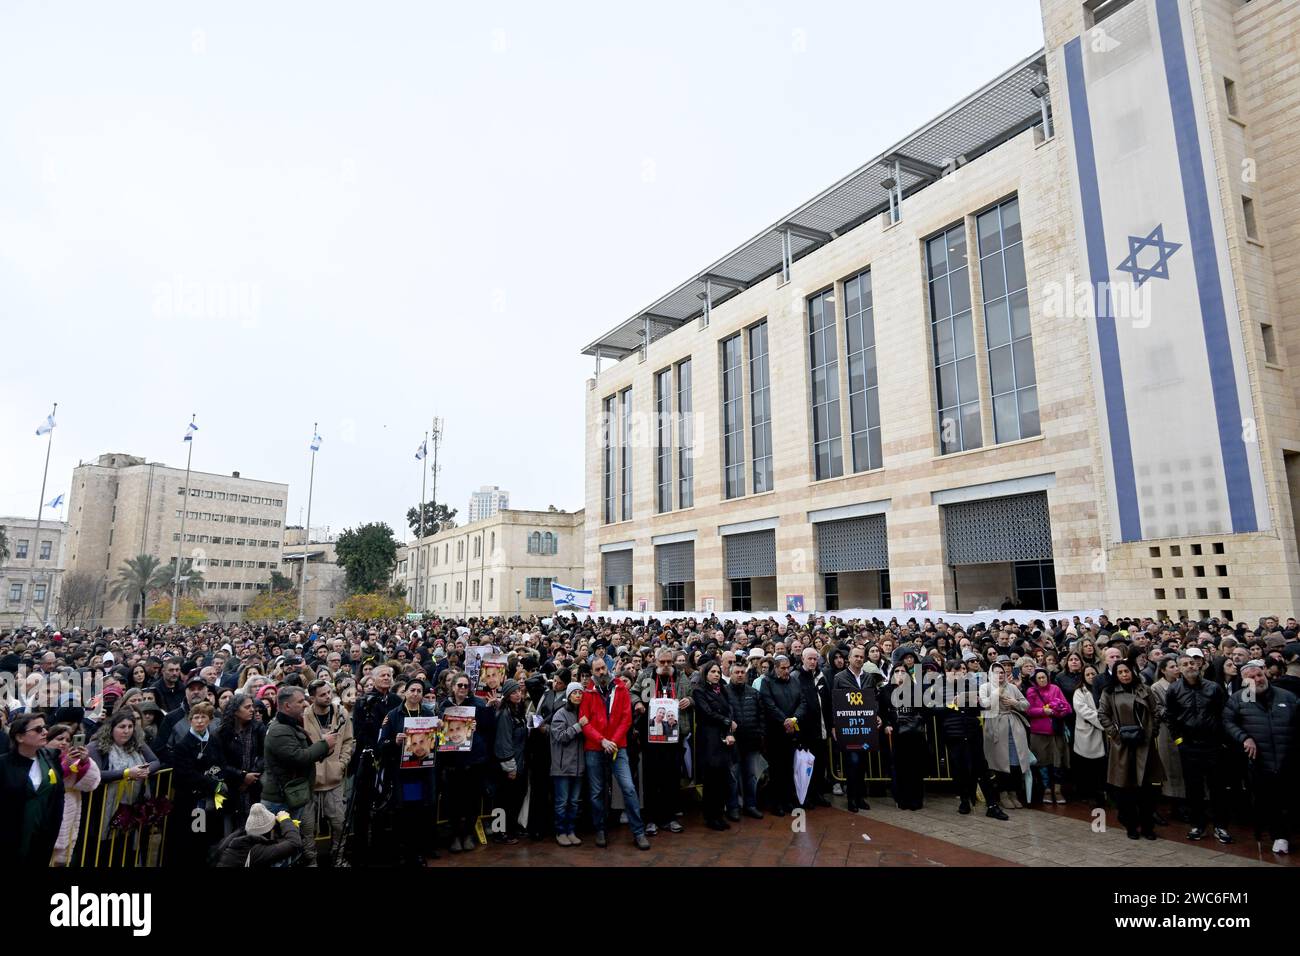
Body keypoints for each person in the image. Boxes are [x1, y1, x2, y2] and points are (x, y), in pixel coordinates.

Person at [1224, 660, 1298, 855]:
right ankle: (1279, 836)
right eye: (1252, 677)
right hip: (1261, 761)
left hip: (1288, 758)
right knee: (1270, 801)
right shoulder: (1239, 699)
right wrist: (1245, 738)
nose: (1257, 680)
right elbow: (1228, 722)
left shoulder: (1287, 697)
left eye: (1259, 675)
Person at [580, 655, 650, 850]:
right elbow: (584, 722)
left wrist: (612, 741)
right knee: (597, 792)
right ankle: (600, 829)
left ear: (607, 667)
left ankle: (638, 832)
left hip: (618, 747)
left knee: (628, 788)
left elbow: (626, 719)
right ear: (593, 673)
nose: (601, 672)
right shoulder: (586, 692)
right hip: (595, 748)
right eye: (597, 670)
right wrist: (602, 741)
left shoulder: (621, 688)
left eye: (603, 668)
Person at [1164, 652, 1232, 844]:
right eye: (1185, 664)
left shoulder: (1214, 688)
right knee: (1194, 788)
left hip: (1213, 745)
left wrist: (1222, 740)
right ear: (1179, 668)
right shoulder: (1174, 690)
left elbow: (1224, 714)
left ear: (1199, 665)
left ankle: (1220, 825)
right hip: (1189, 746)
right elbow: (1171, 718)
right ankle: (1198, 825)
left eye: (1192, 663)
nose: (1190, 666)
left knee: (1217, 787)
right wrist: (1180, 742)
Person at [1098, 660, 1163, 841]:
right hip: (1123, 745)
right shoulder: (1109, 692)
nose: (1124, 675)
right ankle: (1131, 825)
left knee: (1147, 789)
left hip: (1144, 744)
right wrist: (1115, 734)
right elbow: (1103, 714)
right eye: (1120, 672)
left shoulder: (1144, 689)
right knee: (1125, 789)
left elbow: (1156, 710)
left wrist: (1152, 731)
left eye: (1127, 671)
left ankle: (1148, 825)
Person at [378, 677, 439, 865]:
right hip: (401, 775)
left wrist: (440, 733)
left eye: (419, 691)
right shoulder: (393, 715)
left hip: (422, 774)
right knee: (401, 814)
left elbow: (438, 744)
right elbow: (381, 743)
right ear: (405, 692)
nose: (415, 694)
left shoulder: (429, 714)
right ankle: (402, 853)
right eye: (412, 690)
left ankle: (418, 852)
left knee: (420, 814)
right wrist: (395, 742)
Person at [170, 701, 237, 867]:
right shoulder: (183, 746)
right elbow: (186, 774)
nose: (199, 721)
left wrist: (221, 779)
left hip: (214, 801)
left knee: (213, 836)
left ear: (209, 720)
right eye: (196, 717)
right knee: (196, 837)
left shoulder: (214, 741)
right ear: (190, 720)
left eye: (203, 717)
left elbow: (222, 764)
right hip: (195, 803)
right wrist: (212, 784)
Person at [633, 647, 692, 835]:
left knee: (672, 777)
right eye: (662, 662)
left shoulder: (681, 677)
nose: (666, 666)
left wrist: (689, 700)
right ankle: (651, 819)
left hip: (674, 736)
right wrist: (638, 703)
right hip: (651, 736)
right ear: (656, 661)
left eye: (669, 662)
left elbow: (693, 695)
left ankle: (670, 818)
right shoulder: (647, 675)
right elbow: (633, 692)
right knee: (651, 778)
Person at [937, 660, 1005, 819]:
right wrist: (950, 704)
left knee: (981, 767)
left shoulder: (970, 685)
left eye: (962, 670)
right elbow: (932, 709)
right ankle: (964, 800)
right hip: (954, 733)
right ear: (947, 671)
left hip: (972, 730)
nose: (961, 673)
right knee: (959, 769)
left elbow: (979, 706)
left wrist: (977, 702)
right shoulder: (939, 687)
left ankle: (992, 805)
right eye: (957, 670)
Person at [0, 712, 65, 865]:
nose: (45, 732)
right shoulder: (3, 765)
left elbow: (58, 796)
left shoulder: (50, 758)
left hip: (42, 838)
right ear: (19, 737)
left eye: (45, 727)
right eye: (38, 729)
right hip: (9, 840)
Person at [302, 678, 354, 865]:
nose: (327, 697)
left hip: (334, 780)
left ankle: (338, 858)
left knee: (340, 824)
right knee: (307, 828)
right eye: (322, 695)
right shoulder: (303, 716)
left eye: (329, 693)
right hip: (310, 782)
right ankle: (311, 861)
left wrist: (342, 763)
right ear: (312, 697)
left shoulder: (342, 713)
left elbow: (349, 741)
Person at [261, 686, 336, 817]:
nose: (305, 704)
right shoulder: (279, 730)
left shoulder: (292, 725)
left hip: (292, 795)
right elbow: (298, 757)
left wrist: (324, 749)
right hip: (281, 800)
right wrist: (324, 744)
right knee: (286, 836)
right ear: (287, 706)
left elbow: (305, 751)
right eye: (300, 702)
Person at [438, 672, 491, 853]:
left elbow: (488, 729)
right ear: (452, 687)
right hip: (452, 762)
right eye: (459, 685)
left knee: (472, 800)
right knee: (452, 802)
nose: (462, 689)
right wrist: (439, 728)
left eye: (465, 686)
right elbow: (440, 737)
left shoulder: (478, 705)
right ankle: (454, 836)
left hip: (473, 761)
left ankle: (468, 834)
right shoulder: (445, 706)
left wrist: (478, 727)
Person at [832, 645, 881, 813]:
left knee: (862, 764)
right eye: (856, 656)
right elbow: (835, 703)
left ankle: (860, 797)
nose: (859, 659)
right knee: (852, 762)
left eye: (862, 657)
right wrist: (834, 725)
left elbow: (874, 700)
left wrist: (877, 715)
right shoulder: (839, 677)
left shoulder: (869, 678)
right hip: (848, 728)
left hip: (865, 728)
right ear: (850, 659)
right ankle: (851, 798)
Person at [46, 722, 100, 865]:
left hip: (71, 805)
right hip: (49, 805)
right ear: (47, 739)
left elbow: (92, 782)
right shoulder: (41, 757)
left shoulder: (75, 758)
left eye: (68, 740)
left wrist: (85, 761)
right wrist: (66, 764)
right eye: (59, 739)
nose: (64, 743)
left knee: (65, 851)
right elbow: (48, 781)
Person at [691, 660, 735, 830]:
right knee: (711, 779)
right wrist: (726, 721)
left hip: (723, 737)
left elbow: (729, 708)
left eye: (718, 671)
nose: (716, 674)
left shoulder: (722, 689)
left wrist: (728, 722)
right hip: (709, 739)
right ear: (705, 673)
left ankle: (719, 814)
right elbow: (707, 713)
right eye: (712, 672)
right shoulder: (699, 691)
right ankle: (710, 816)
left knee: (723, 777)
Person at [980, 662, 1030, 810]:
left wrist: (1014, 702)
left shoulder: (1013, 687)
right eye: (996, 672)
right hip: (995, 726)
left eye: (1002, 672)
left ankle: (1013, 792)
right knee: (1000, 762)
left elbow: (1025, 704)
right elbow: (984, 703)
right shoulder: (986, 687)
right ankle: (1003, 794)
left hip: (1013, 726)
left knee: (1015, 762)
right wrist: (997, 693)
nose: (1000, 675)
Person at [759, 655, 804, 816]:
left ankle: (787, 800)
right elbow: (769, 704)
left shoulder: (794, 681)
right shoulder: (767, 682)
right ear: (776, 668)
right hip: (775, 733)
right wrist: (784, 720)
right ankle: (775, 802)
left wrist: (793, 719)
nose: (787, 671)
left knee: (788, 768)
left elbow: (802, 702)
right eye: (783, 668)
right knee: (776, 769)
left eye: (788, 668)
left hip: (792, 731)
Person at [723, 660, 765, 820]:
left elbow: (761, 715)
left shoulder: (753, 693)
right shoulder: (724, 693)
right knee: (733, 777)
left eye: (742, 672)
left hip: (752, 741)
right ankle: (733, 807)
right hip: (733, 743)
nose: (740, 675)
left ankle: (751, 805)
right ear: (731, 674)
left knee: (751, 776)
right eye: (737, 672)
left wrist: (761, 734)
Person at [217, 693, 264, 832]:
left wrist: (251, 777)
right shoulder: (222, 733)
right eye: (247, 707)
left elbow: (264, 756)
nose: (252, 710)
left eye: (253, 707)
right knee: (232, 830)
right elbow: (219, 762)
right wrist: (242, 776)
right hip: (231, 787)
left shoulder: (258, 728)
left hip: (255, 786)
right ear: (236, 710)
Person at [1024, 668, 1071, 805]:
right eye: (1039, 678)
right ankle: (1047, 790)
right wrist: (1043, 711)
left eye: (1044, 677)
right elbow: (1029, 710)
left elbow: (1067, 707)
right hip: (1039, 733)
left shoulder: (1055, 688)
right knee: (1042, 763)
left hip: (1056, 731)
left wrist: (1059, 710)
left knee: (1058, 762)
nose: (1042, 680)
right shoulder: (1031, 692)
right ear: (1035, 680)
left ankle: (1057, 790)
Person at [549, 682, 586, 846]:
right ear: (569, 695)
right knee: (562, 802)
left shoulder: (583, 713)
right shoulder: (560, 714)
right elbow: (561, 737)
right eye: (575, 692)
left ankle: (571, 830)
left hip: (578, 767)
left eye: (580, 692)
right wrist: (579, 726)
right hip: (562, 767)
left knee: (574, 802)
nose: (578, 695)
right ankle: (560, 831)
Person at [492, 679, 529, 845]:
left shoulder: (517, 710)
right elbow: (503, 741)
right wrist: (510, 766)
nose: (518, 694)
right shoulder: (505, 713)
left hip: (519, 762)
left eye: (519, 691)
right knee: (503, 799)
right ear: (507, 695)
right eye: (513, 692)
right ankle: (499, 832)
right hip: (509, 765)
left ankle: (510, 828)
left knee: (514, 799)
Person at [795, 647, 832, 808]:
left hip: (822, 728)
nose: (812, 662)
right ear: (803, 659)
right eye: (809, 658)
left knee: (820, 764)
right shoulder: (796, 677)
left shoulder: (821, 677)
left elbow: (828, 702)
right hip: (806, 730)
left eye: (815, 659)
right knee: (806, 765)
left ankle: (818, 794)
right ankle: (806, 795)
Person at [214, 802, 303, 867]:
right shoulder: (256, 851)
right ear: (269, 831)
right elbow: (294, 843)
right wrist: (285, 821)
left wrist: (286, 826)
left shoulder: (239, 838)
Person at [1070, 666, 1107, 808]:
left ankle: (1101, 793)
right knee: (1087, 766)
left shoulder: (1104, 689)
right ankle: (1089, 794)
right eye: (1088, 674)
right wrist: (1104, 722)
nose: (1091, 676)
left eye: (1093, 673)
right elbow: (1083, 711)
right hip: (1088, 731)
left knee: (1101, 766)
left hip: (1104, 734)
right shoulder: (1080, 692)